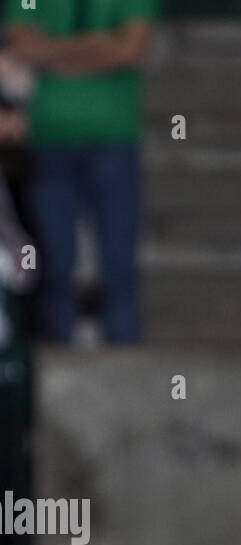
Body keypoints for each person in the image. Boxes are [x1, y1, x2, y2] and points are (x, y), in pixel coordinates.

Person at [3, 0, 156, 343]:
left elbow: (130, 49)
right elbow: (22, 44)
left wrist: (51, 53)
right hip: (48, 137)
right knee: (53, 261)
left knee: (119, 260)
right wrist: (99, 47)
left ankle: (123, 357)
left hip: (114, 136)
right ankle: (55, 361)